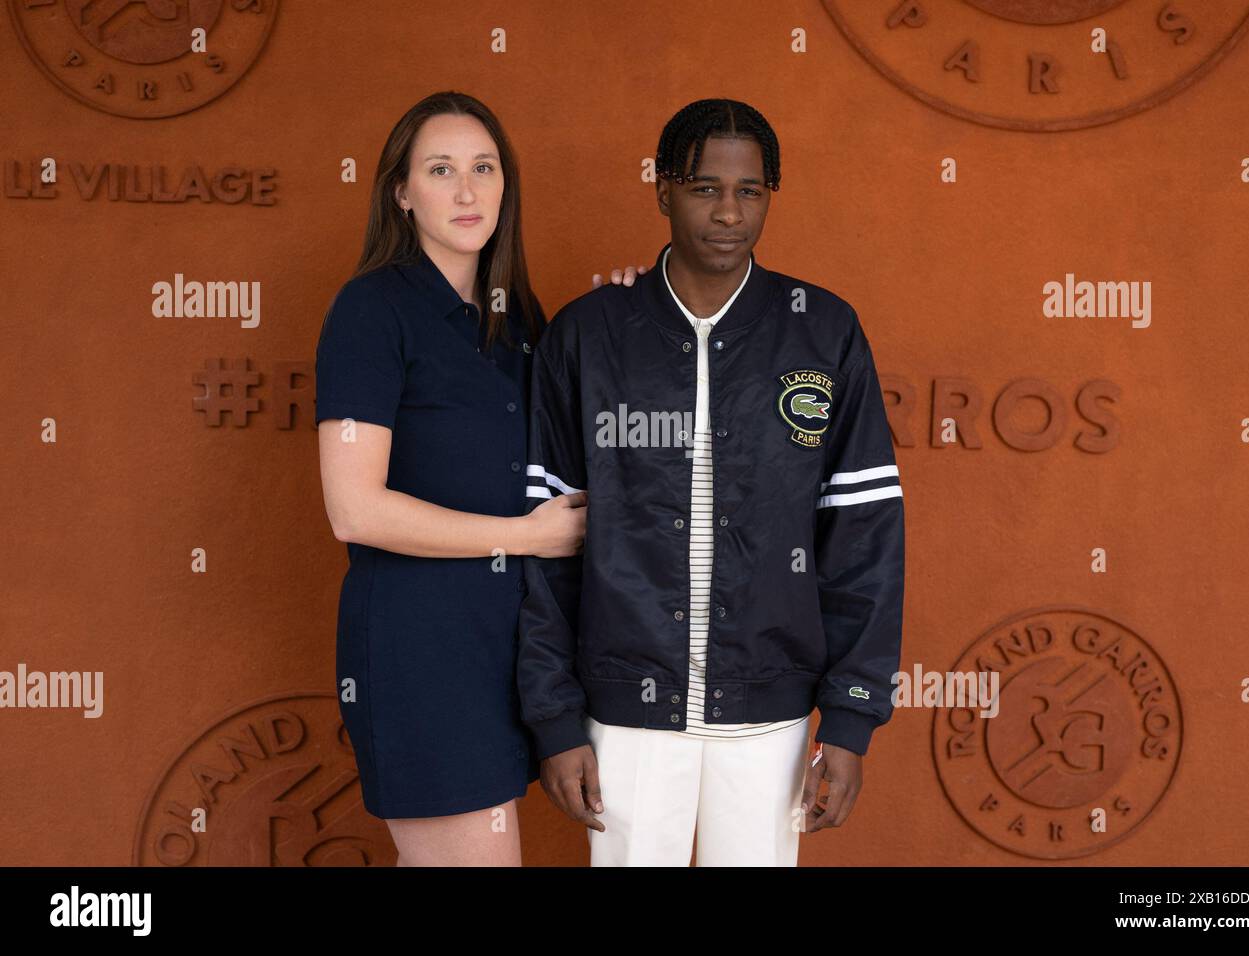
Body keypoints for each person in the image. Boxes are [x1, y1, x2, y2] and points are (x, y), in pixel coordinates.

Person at [517, 98, 906, 866]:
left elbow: (865, 533)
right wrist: (555, 719)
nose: (728, 213)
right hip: (626, 714)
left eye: (750, 191)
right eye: (703, 188)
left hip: (771, 716)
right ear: (663, 189)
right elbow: (542, 541)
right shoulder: (590, 333)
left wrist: (852, 716)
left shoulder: (821, 329)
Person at [314, 91, 602, 866]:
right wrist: (528, 537)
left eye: (484, 168)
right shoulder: (372, 310)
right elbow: (353, 508)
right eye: (441, 170)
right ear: (401, 193)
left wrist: (641, 314)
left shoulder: (516, 320)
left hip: (511, 651)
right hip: (421, 648)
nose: (468, 191)